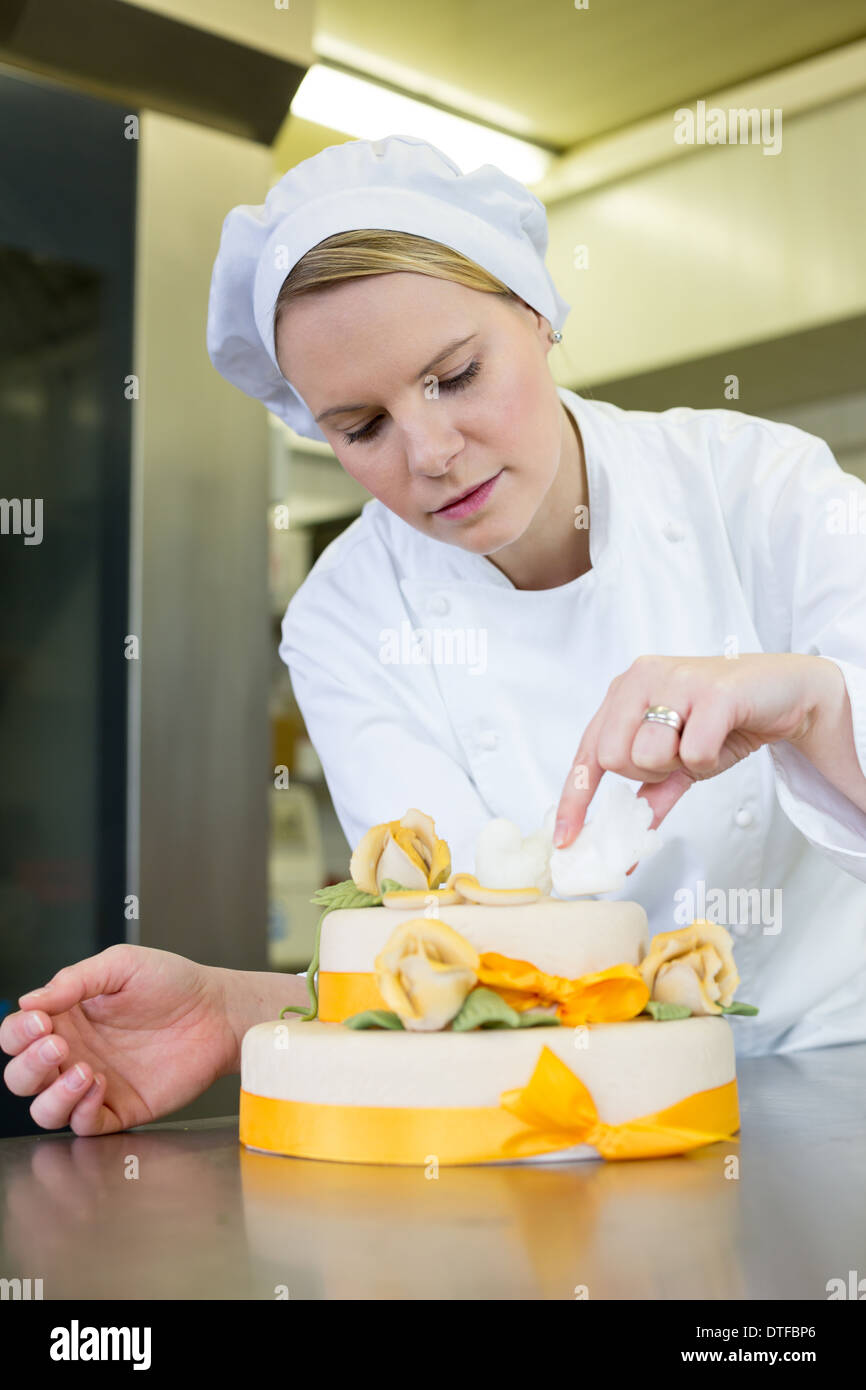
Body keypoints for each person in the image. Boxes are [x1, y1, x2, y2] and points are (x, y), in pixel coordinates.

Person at [3, 135, 865, 1138]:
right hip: (559, 1117)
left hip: (841, 1071)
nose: (432, 452)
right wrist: (248, 1010)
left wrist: (812, 706)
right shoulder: (348, 616)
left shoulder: (756, 486)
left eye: (453, 375)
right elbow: (463, 963)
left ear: (535, 309)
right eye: (361, 426)